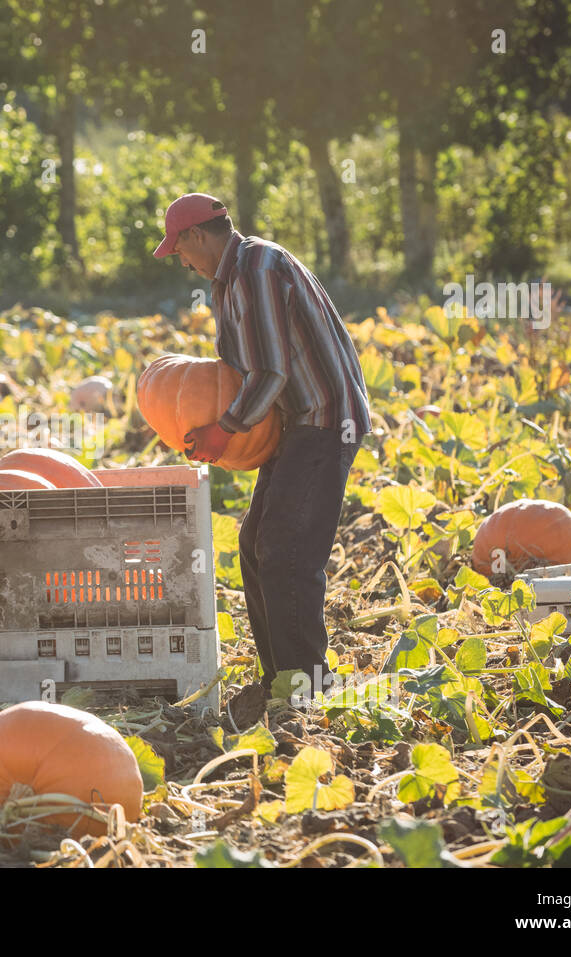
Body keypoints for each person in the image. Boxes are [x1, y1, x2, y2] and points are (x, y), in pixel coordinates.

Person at [153, 193, 371, 727]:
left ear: (198, 236)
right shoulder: (231, 277)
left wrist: (224, 429)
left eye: (180, 250)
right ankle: (282, 679)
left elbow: (269, 372)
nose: (181, 262)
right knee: (256, 543)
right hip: (295, 423)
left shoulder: (256, 268)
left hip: (323, 418)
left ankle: (307, 689)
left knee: (287, 552)